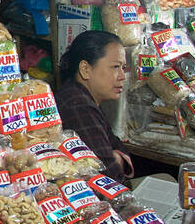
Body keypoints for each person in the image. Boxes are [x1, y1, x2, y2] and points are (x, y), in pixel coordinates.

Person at [53, 29, 134, 184]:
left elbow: (116, 144)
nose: (122, 76)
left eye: (123, 68)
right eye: (115, 67)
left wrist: (117, 157)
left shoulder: (84, 96)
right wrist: (115, 158)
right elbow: (110, 179)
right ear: (85, 69)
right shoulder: (77, 104)